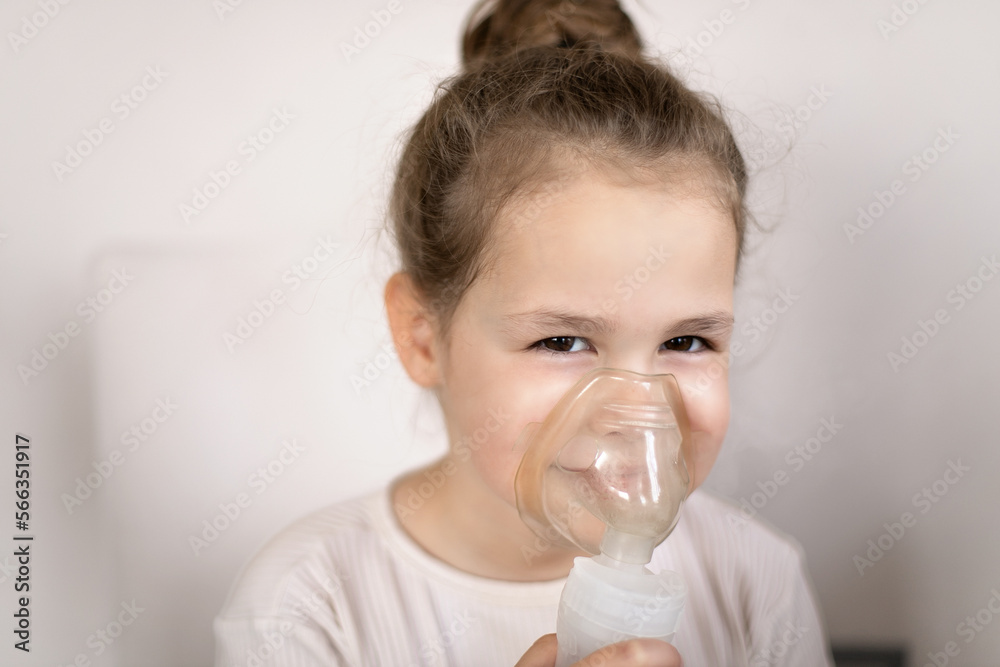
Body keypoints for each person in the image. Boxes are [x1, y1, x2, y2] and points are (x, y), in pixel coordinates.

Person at [214, 0, 835, 665]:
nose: (637, 414)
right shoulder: (311, 604)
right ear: (424, 337)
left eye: (686, 342)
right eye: (563, 341)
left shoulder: (756, 585)